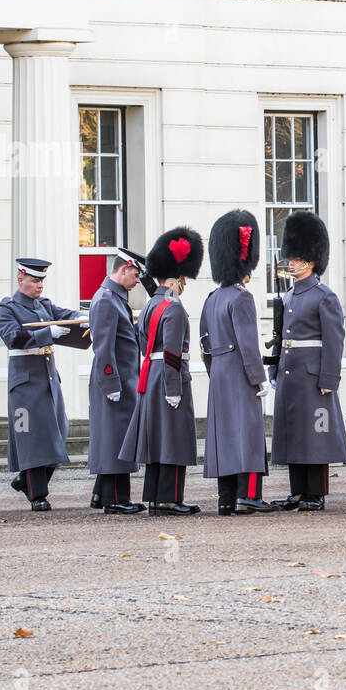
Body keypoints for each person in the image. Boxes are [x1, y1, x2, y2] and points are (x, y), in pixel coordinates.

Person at [268, 211, 346, 511]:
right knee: (294, 433)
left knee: (316, 434)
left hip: (313, 376)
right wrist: (275, 366)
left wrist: (329, 378)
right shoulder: (289, 295)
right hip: (292, 374)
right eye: (290, 256)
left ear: (311, 260)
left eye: (297, 257)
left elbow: (334, 341)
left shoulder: (323, 296)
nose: (290, 261)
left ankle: (315, 492)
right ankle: (298, 491)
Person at [119, 226, 204, 514]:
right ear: (179, 278)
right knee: (174, 439)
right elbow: (172, 352)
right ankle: (170, 498)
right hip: (168, 377)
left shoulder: (150, 305)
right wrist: (174, 389)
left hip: (150, 376)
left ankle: (155, 496)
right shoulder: (174, 307)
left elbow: (144, 343)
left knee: (157, 439)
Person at [0, 258, 91, 511]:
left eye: (41, 281)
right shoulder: (8, 308)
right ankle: (38, 494)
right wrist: (47, 333)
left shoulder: (44, 305)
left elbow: (64, 315)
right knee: (31, 438)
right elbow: (13, 338)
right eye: (35, 280)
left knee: (57, 432)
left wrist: (82, 318)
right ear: (21, 279)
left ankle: (25, 481)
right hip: (25, 381)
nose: (39, 285)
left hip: (47, 377)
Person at [201, 210, 275, 515]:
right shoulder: (242, 298)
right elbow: (248, 344)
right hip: (240, 372)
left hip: (218, 371)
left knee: (225, 436)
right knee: (250, 432)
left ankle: (226, 498)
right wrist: (260, 379)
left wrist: (215, 371)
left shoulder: (211, 297)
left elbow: (204, 345)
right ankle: (250, 496)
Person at [88, 247, 150, 514]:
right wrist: (111, 382)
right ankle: (115, 499)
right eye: (135, 274)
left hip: (122, 379)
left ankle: (102, 495)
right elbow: (103, 347)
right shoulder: (106, 300)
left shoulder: (115, 298)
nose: (137, 280)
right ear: (123, 269)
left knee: (116, 437)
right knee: (115, 440)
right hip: (114, 380)